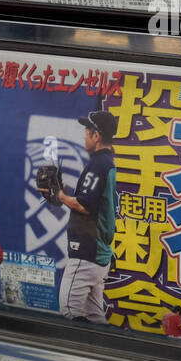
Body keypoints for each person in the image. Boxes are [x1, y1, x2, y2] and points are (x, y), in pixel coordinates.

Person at [55, 110, 118, 322]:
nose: (84, 136)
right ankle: (107, 352)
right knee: (94, 316)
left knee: (70, 310)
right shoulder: (105, 162)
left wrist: (60, 195)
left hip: (87, 252)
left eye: (87, 132)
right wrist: (64, 196)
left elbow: (85, 204)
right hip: (97, 252)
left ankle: (82, 354)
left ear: (96, 136)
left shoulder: (99, 164)